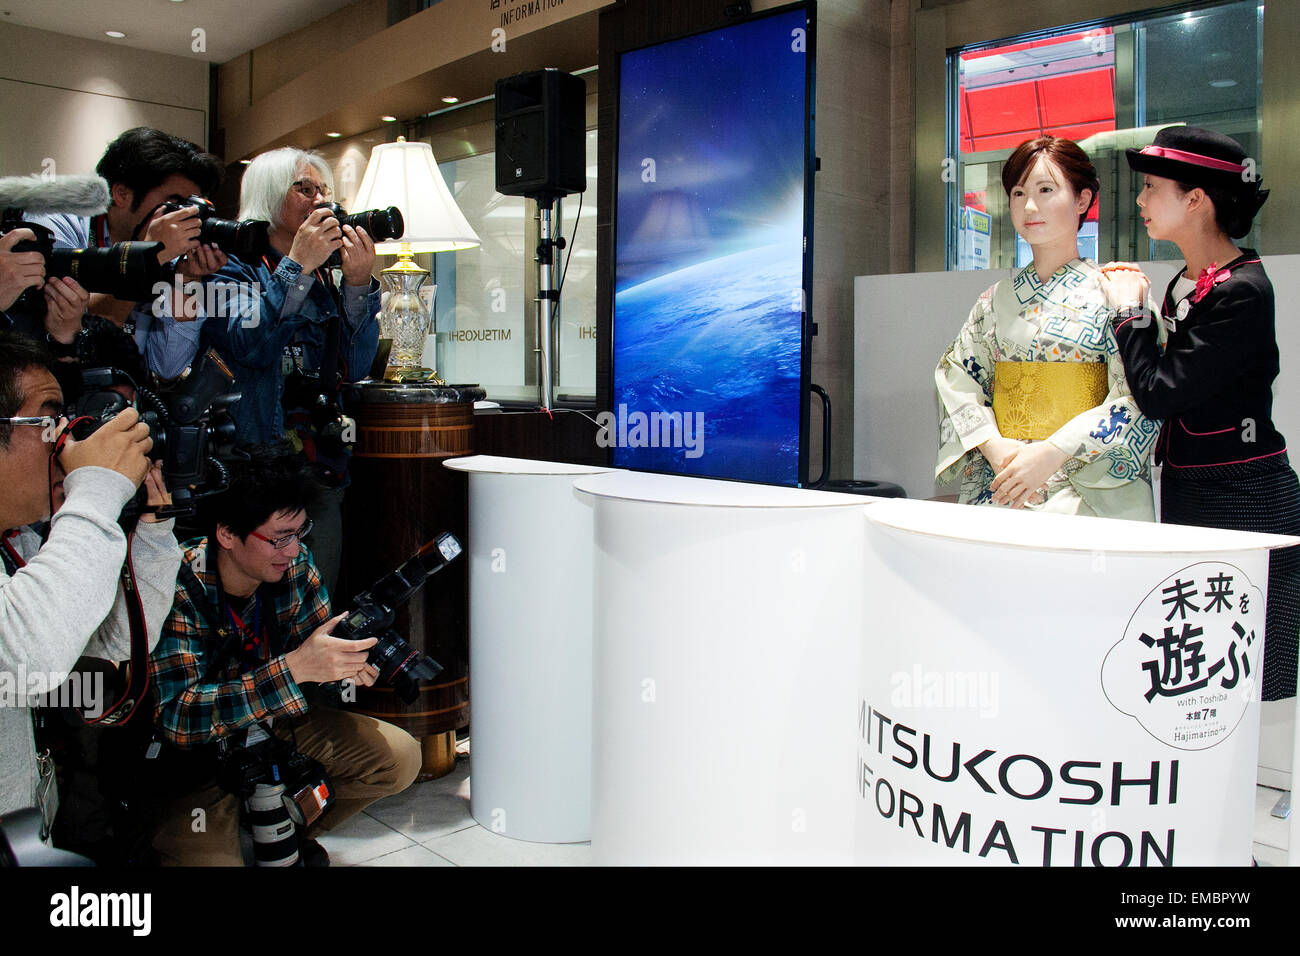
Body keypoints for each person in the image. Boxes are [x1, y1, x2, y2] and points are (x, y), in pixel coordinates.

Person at [1099, 125, 1298, 702]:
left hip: (1246, 493)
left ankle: (1257, 789)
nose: (1139, 200)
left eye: (1152, 187)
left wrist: (1129, 316)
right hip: (1192, 488)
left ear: (1195, 199)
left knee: (1244, 663)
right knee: (1198, 662)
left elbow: (1160, 394)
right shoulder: (1187, 283)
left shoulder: (1243, 292)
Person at [148, 451, 419, 866]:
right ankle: (223, 832)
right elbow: (179, 719)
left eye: (300, 532)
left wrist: (344, 663)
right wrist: (293, 669)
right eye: (279, 538)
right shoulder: (178, 585)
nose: (294, 550)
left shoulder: (293, 569)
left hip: (274, 731)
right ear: (226, 534)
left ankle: (283, 826)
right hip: (197, 761)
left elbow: (316, 660)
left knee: (399, 758)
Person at [0, 330, 181, 819]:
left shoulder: (16, 541)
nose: (66, 440)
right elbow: (24, 655)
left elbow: (111, 644)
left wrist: (152, 533)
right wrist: (97, 490)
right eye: (49, 419)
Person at [935, 136, 1160, 517]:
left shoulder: (1119, 291)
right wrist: (993, 445)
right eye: (1018, 193)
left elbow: (1140, 396)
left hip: (1086, 492)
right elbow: (956, 376)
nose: (1030, 206)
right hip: (1004, 479)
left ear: (1083, 200)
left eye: (1045, 189)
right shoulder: (994, 300)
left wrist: (1053, 452)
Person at [206, 147, 380, 593]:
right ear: (267, 196)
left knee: (315, 600)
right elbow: (251, 346)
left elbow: (352, 369)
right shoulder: (229, 264)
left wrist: (358, 285)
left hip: (318, 468)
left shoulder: (324, 276)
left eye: (323, 190)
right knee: (253, 603)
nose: (319, 200)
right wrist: (296, 267)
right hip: (252, 467)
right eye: (304, 189)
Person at [24, 127, 228, 380]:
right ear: (121, 193)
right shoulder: (59, 220)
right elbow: (77, 330)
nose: (182, 217)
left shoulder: (170, 251)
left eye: (189, 206)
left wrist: (187, 279)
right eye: (174, 204)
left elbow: (168, 368)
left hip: (127, 400)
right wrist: (147, 256)